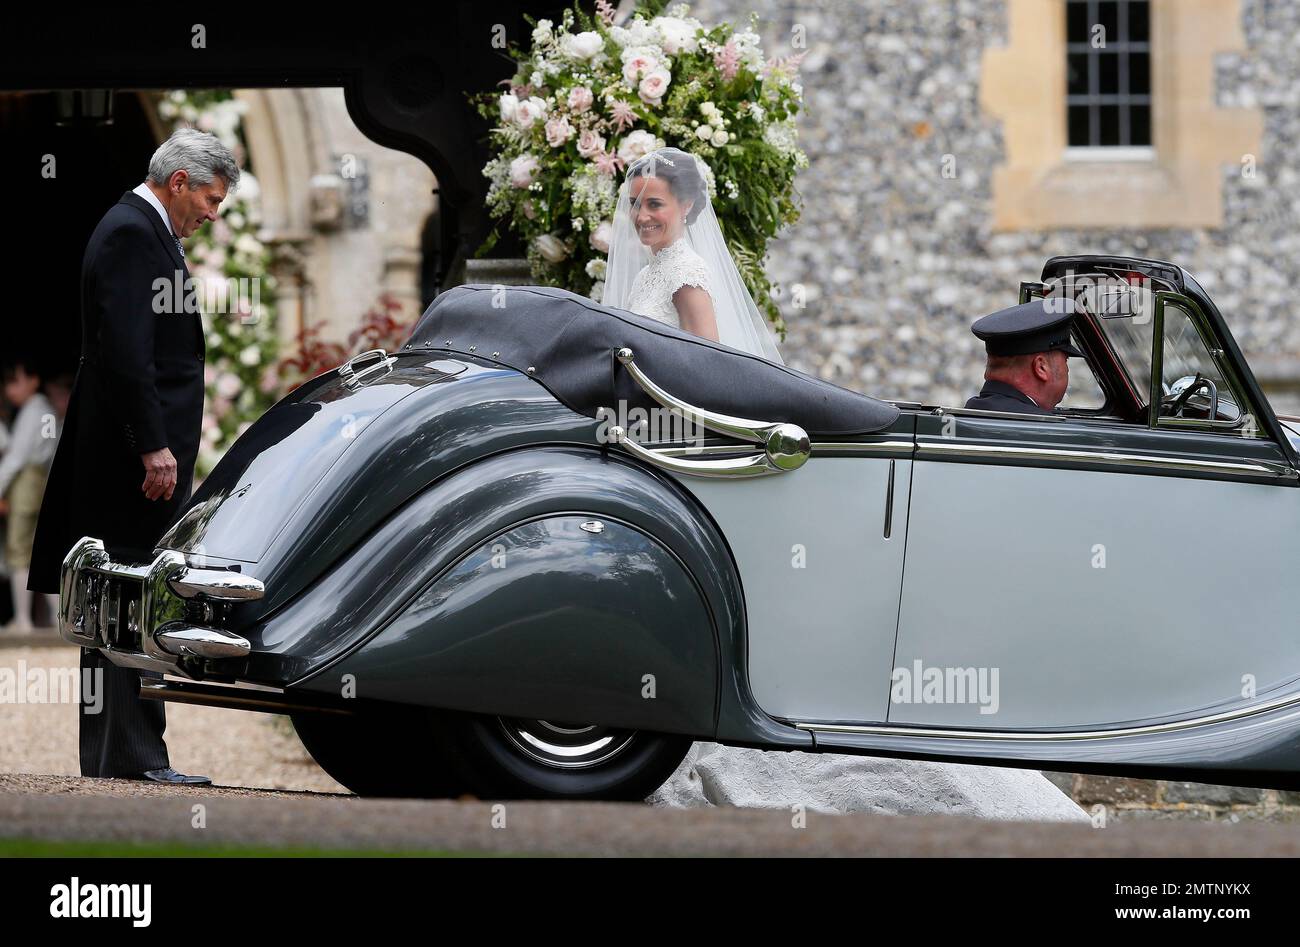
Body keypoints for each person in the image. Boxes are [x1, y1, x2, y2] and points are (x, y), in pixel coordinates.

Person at [27, 127, 240, 785]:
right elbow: (124, 349)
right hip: (129, 460)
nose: (212, 213)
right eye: (209, 198)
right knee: (131, 599)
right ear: (178, 182)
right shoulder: (130, 233)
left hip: (128, 454)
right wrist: (154, 444)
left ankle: (119, 754)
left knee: (122, 600)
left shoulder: (142, 231)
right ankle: (134, 756)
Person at [602, 147, 783, 362]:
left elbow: (706, 365)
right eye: (635, 203)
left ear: (686, 206)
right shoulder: (644, 276)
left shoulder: (686, 276)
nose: (641, 217)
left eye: (654, 204)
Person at [0, 360, 60, 632]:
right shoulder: (45, 410)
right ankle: (55, 617)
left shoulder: (33, 411)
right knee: (40, 551)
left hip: (27, 482)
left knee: (19, 548)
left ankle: (23, 619)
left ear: (33, 380)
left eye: (16, 381)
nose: (11, 389)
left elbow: (16, 457)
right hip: (41, 483)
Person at [965, 297, 1085, 414]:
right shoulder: (1044, 429)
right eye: (1065, 360)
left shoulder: (970, 412)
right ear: (1041, 367)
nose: (1067, 369)